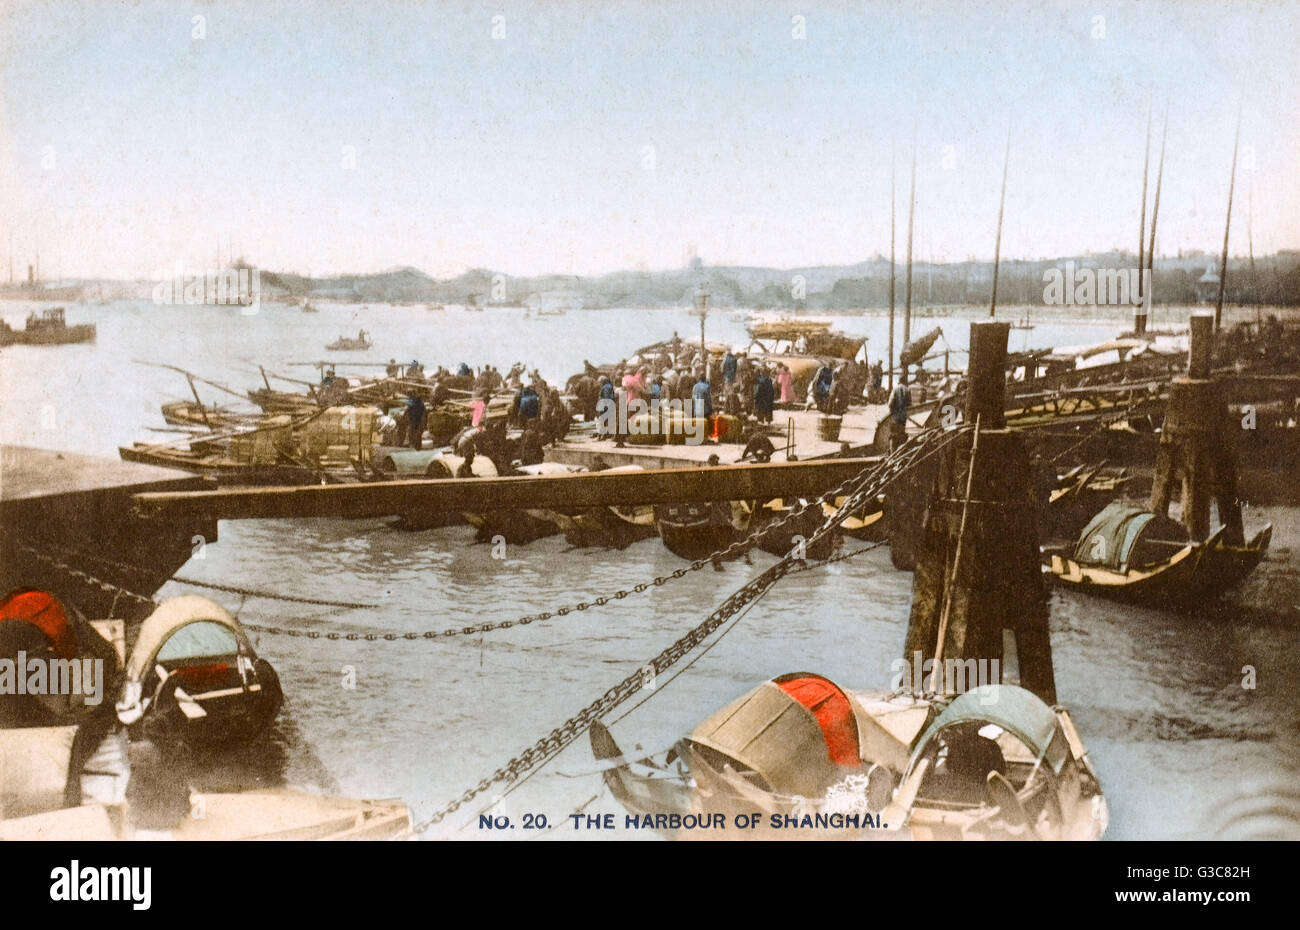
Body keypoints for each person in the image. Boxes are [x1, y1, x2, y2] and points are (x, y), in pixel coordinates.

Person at [888, 377, 910, 451]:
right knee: (901, 433)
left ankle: (893, 452)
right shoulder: (907, 390)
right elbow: (910, 404)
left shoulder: (895, 389)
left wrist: (891, 412)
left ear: (899, 381)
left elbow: (890, 403)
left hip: (895, 415)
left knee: (894, 435)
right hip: (903, 415)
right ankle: (901, 451)